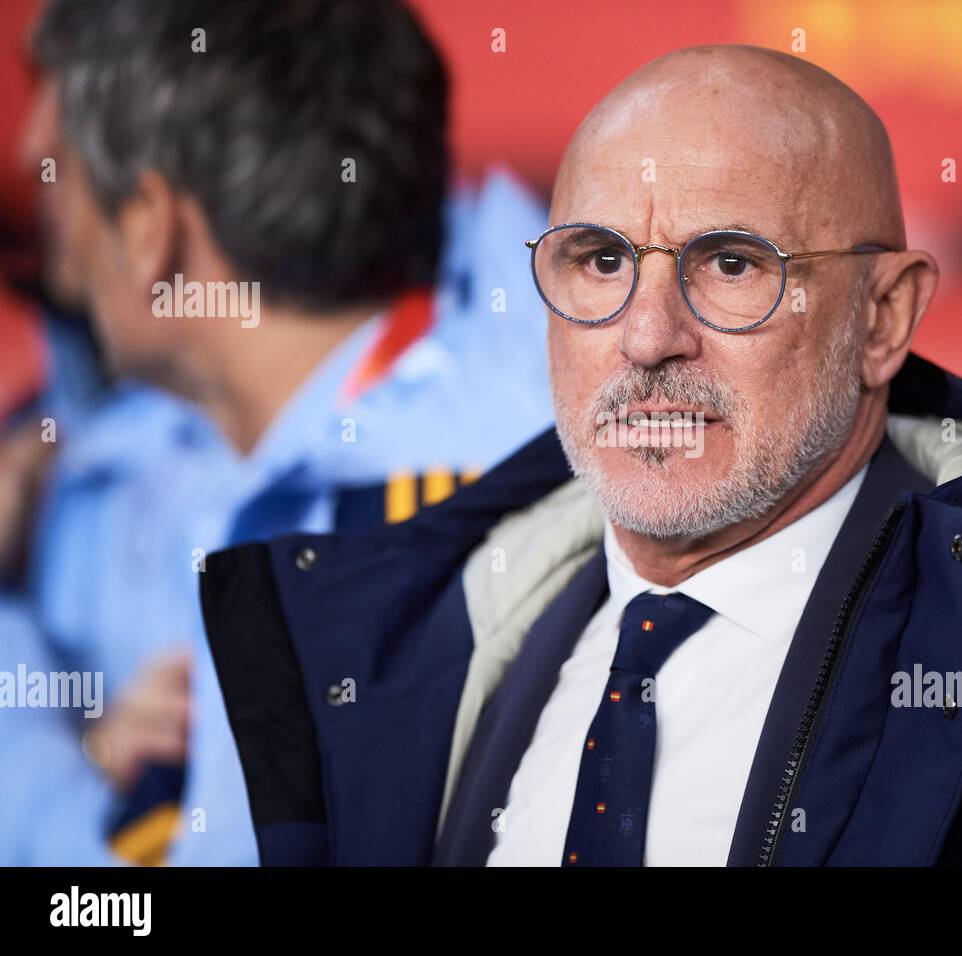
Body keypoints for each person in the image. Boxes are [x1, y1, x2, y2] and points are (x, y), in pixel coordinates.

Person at [197, 45, 962, 866]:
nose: (645, 335)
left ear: (882, 318)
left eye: (730, 264)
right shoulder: (406, 637)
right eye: (597, 259)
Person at [0, 0, 552, 865]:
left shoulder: (405, 515)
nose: (54, 239)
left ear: (151, 229)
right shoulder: (489, 405)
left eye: (60, 180)